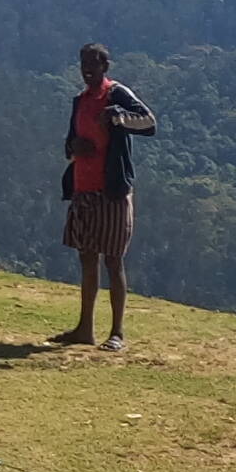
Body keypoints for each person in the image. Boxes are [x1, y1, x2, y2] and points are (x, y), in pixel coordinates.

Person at [51, 42, 159, 350]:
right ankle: (85, 328)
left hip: (111, 191)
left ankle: (117, 333)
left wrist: (118, 116)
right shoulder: (80, 101)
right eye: (83, 64)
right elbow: (69, 143)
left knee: (113, 259)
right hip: (83, 188)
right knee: (87, 257)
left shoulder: (116, 95)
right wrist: (74, 148)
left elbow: (149, 123)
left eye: (93, 64)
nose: (87, 70)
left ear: (105, 67)